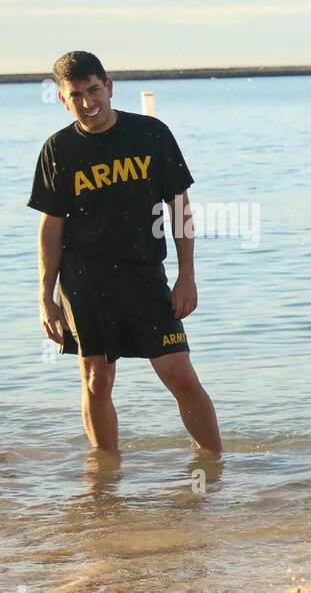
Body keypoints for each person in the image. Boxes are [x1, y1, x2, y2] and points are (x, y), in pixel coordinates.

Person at [29, 50, 222, 457]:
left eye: (93, 90)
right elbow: (51, 228)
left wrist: (187, 275)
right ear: (62, 99)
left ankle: (214, 466)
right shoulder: (58, 150)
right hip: (84, 283)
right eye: (75, 94)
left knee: (179, 375)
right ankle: (106, 481)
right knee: (97, 380)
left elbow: (181, 208)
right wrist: (45, 298)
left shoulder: (151, 134)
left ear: (110, 86)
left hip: (144, 276)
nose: (86, 102)